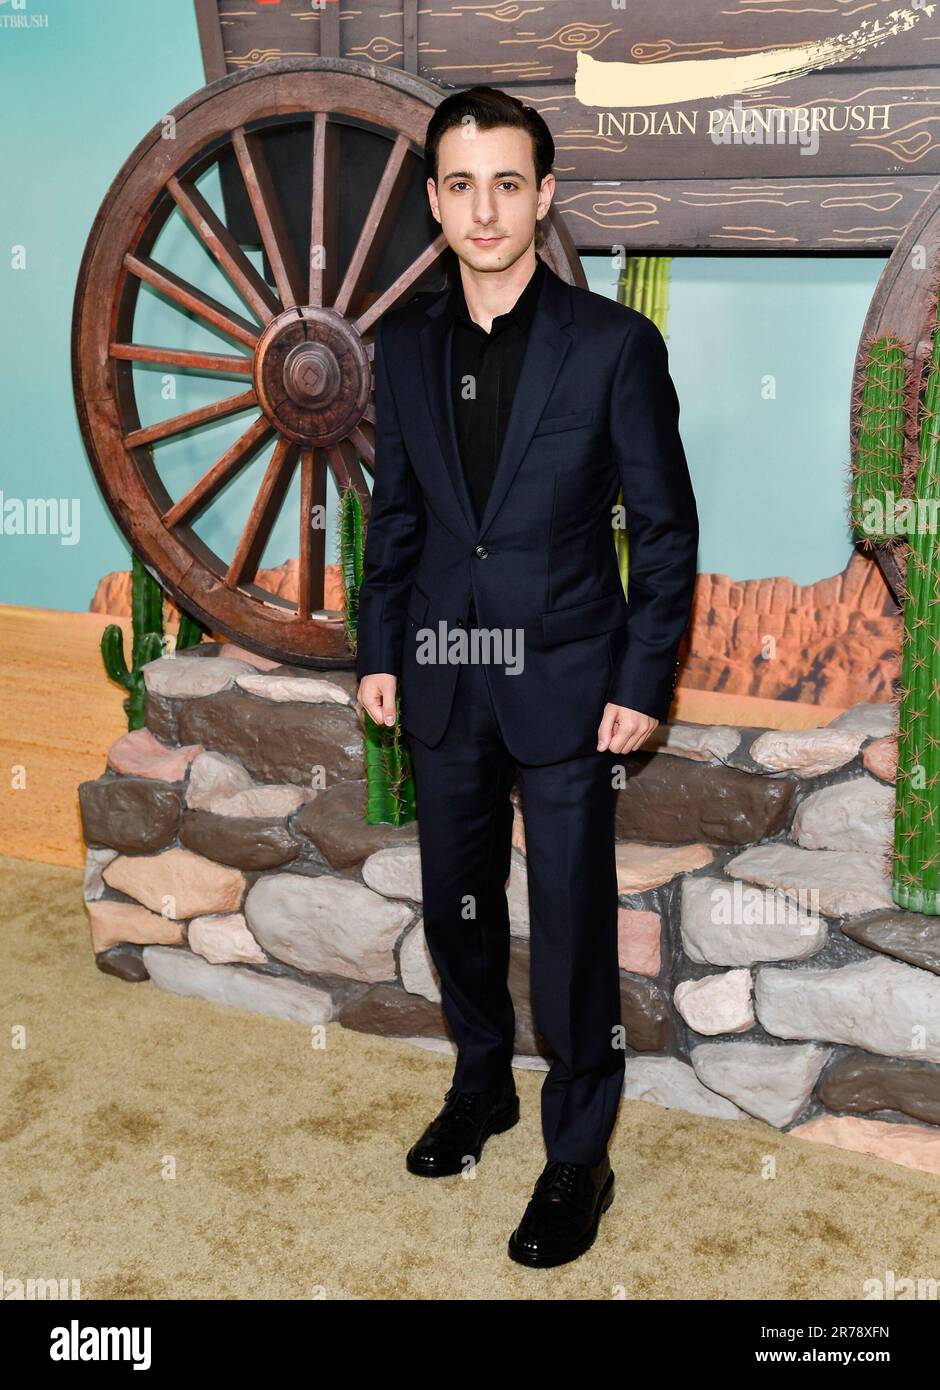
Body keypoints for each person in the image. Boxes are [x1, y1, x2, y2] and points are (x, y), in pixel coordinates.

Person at [355, 86, 699, 1268]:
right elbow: (392, 517)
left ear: (543, 196)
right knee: (455, 902)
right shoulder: (401, 349)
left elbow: (662, 531)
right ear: (434, 203)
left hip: (569, 682)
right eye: (460, 184)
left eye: (508, 182)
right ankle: (480, 1083)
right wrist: (378, 650)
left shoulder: (612, 347)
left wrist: (645, 679)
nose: (484, 207)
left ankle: (576, 1155)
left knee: (570, 930)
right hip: (443, 675)